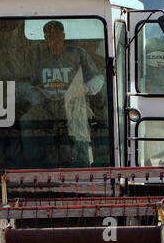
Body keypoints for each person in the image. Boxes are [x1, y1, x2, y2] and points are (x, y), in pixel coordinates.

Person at [19, 20, 104, 165]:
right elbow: (31, 86)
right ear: (45, 38)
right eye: (49, 36)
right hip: (46, 107)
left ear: (63, 36)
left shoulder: (78, 54)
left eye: (57, 35)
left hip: (74, 106)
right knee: (26, 122)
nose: (54, 39)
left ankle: (82, 169)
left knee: (80, 131)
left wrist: (85, 88)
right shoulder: (40, 59)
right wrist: (37, 100)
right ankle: (33, 167)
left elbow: (98, 78)